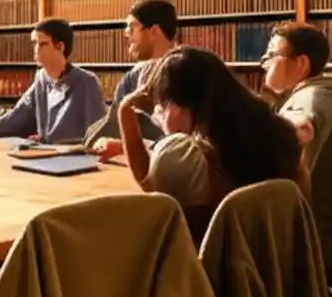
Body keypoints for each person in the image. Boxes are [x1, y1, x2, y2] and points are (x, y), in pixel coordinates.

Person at [119, 46, 308, 241]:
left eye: (164, 104)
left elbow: (149, 183)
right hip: (278, 258)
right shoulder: (278, 132)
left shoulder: (187, 158)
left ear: (179, 106)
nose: (160, 113)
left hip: (216, 265)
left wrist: (125, 111)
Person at [261, 21, 332, 274]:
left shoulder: (310, 102)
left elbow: (284, 173)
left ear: (301, 63)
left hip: (329, 239)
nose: (264, 62)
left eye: (273, 55)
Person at [0, 18, 106, 144]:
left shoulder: (87, 82)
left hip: (75, 160)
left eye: (42, 44)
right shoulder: (41, 78)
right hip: (45, 155)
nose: (35, 50)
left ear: (60, 47)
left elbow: (97, 135)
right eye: (34, 44)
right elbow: (15, 118)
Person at [85, 0, 178, 158]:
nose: (126, 33)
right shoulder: (132, 77)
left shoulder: (186, 70)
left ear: (154, 31)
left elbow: (185, 141)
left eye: (132, 27)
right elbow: (112, 126)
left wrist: (124, 146)